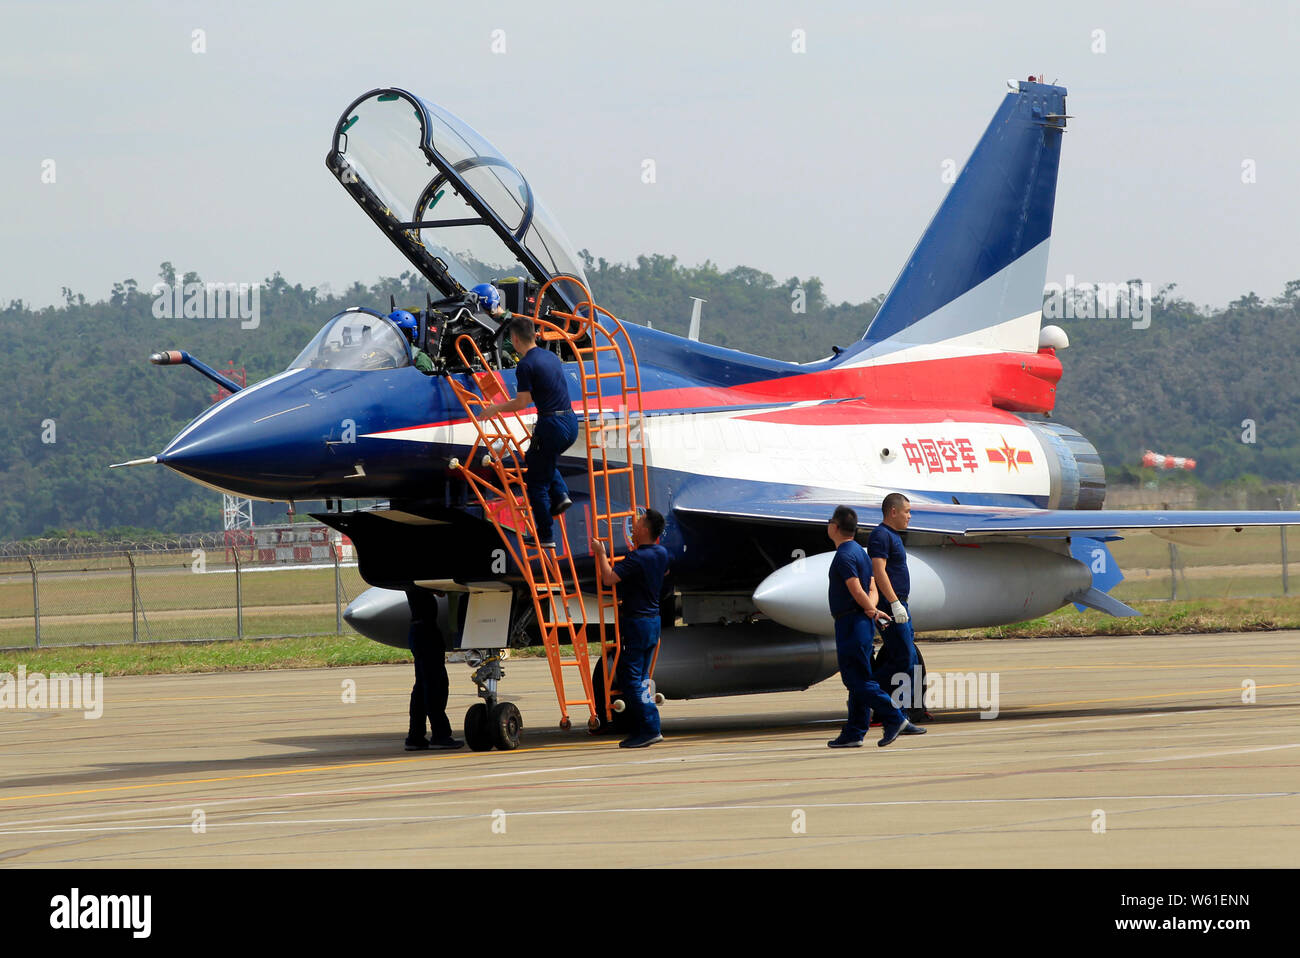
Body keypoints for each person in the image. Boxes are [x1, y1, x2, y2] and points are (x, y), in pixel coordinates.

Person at [826, 505, 925, 748]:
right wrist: (872, 608)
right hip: (863, 620)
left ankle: (895, 718)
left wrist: (870, 609)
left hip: (851, 623)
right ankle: (855, 732)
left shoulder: (844, 555)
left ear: (834, 527)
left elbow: (856, 588)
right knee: (860, 677)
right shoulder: (860, 552)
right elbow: (871, 586)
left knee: (857, 680)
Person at [479, 315, 578, 549]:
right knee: (537, 459)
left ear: (514, 339)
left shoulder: (525, 365)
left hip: (551, 426)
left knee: (536, 484)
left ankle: (545, 537)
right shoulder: (551, 357)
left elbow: (522, 403)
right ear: (534, 334)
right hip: (570, 422)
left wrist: (495, 409)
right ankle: (561, 495)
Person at [590, 508, 669, 749]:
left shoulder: (638, 558)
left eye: (636, 524)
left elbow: (609, 578)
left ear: (645, 530)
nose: (632, 528)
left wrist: (601, 553)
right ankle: (646, 726)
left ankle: (650, 728)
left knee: (631, 678)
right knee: (642, 678)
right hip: (653, 621)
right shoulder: (662, 553)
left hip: (637, 623)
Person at [868, 492, 927, 723]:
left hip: (900, 605)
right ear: (893, 512)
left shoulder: (893, 536)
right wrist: (893, 603)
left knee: (907, 656)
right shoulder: (881, 536)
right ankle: (868, 694)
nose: (909, 516)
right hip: (890, 608)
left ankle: (906, 707)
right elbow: (878, 571)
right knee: (903, 657)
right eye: (907, 511)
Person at [404, 587, 463, 751]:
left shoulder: (410, 582)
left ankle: (415, 736)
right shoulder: (417, 581)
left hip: (419, 631)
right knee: (435, 685)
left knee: (422, 686)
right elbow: (439, 590)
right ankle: (440, 735)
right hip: (426, 632)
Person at [388, 309, 435, 374]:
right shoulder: (385, 358)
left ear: (411, 335)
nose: (397, 338)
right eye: (393, 334)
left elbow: (423, 382)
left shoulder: (420, 359)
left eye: (403, 333)